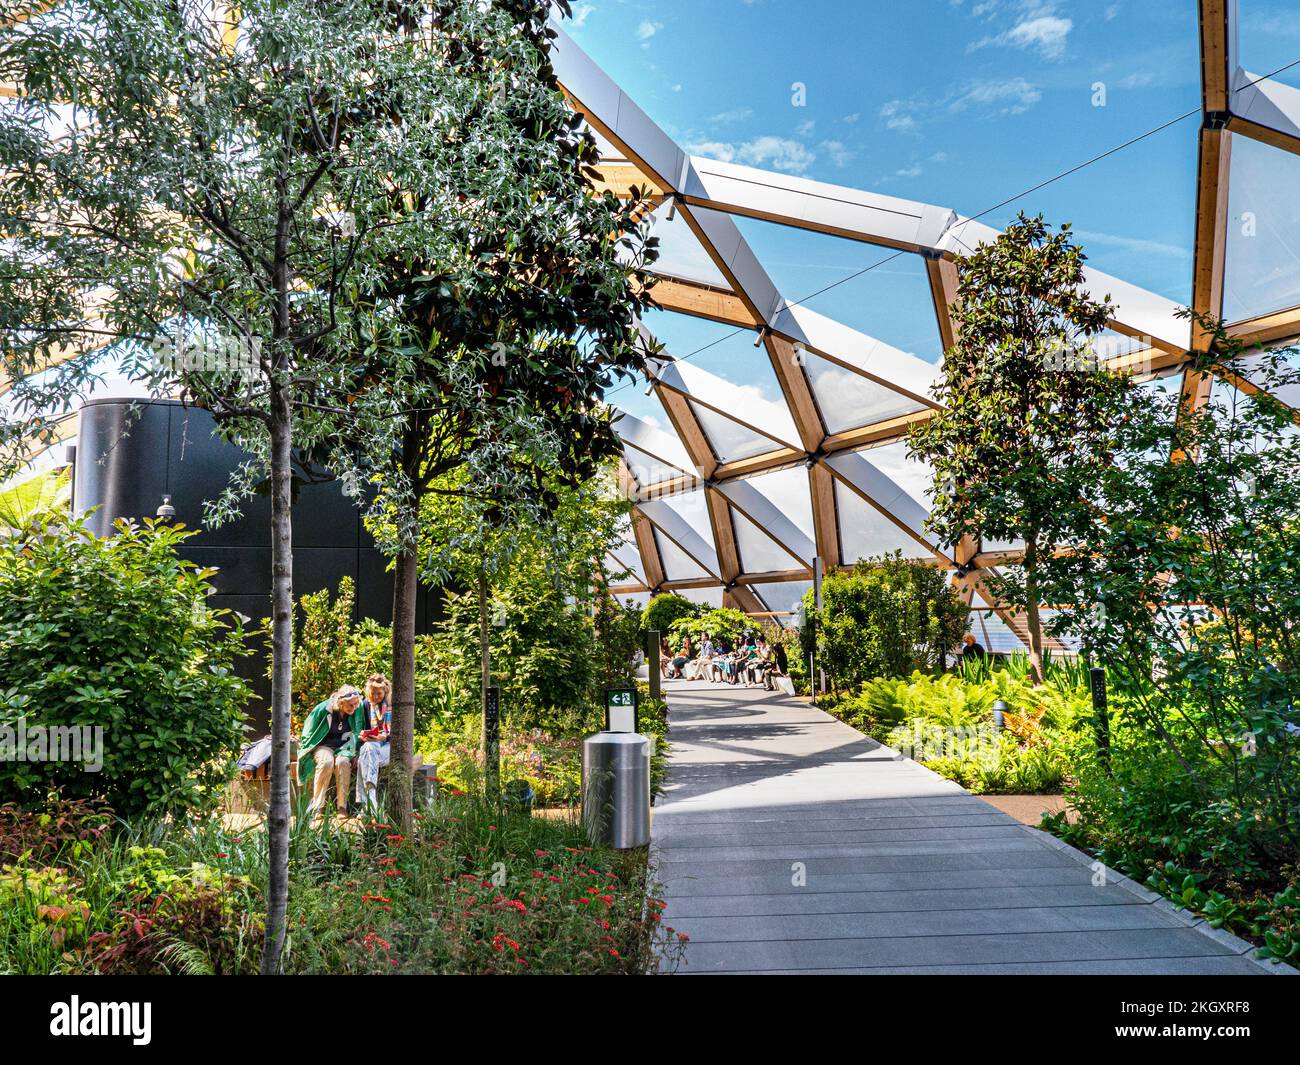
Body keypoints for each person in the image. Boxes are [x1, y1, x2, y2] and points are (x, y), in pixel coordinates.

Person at [299, 685, 365, 818]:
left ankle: (342, 807)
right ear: (341, 703)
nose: (353, 708)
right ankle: (317, 806)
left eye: (355, 704)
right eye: (349, 705)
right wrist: (306, 750)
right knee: (327, 762)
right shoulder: (323, 709)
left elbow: (360, 732)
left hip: (345, 747)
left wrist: (357, 752)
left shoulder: (357, 710)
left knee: (343, 763)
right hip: (324, 745)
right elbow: (308, 731)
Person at [354, 673, 393, 813]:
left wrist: (386, 736)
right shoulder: (366, 705)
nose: (375, 697)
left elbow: (397, 734)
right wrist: (363, 736)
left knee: (363, 759)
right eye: (372, 693)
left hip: (388, 748)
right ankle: (371, 803)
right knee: (367, 749)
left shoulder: (392, 705)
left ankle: (367, 805)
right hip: (372, 745)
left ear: (385, 691)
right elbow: (364, 728)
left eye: (379, 694)